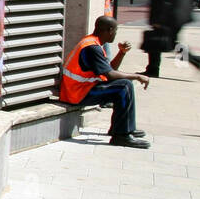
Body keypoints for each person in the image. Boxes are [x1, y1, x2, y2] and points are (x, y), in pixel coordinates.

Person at [59, 15, 151, 149]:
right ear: (109, 30)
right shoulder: (92, 47)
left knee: (123, 85)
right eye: (115, 31)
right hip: (77, 93)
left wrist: (121, 53)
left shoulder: (93, 42)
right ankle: (121, 135)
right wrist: (137, 76)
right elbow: (111, 75)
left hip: (82, 89)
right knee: (124, 86)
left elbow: (109, 70)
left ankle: (123, 128)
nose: (115, 34)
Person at [142, 0, 200, 76]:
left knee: (155, 43)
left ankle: (153, 70)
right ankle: (196, 62)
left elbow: (165, 4)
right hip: (180, 19)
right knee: (171, 43)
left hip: (167, 21)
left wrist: (158, 21)